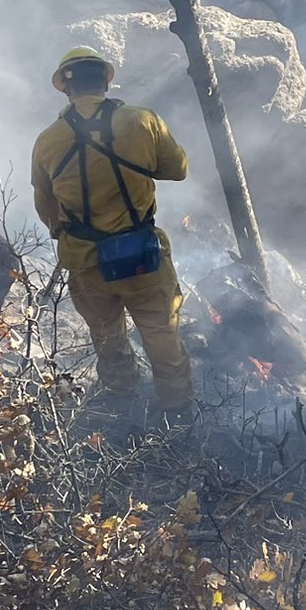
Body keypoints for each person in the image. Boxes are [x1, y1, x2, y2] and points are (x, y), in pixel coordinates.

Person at [31, 45, 195, 414]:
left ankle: (122, 403)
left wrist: (68, 232)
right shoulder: (142, 120)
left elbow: (45, 206)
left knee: (107, 337)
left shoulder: (47, 140)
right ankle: (178, 411)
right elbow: (177, 169)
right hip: (143, 259)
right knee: (161, 334)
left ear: (66, 89)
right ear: (106, 81)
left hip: (87, 262)